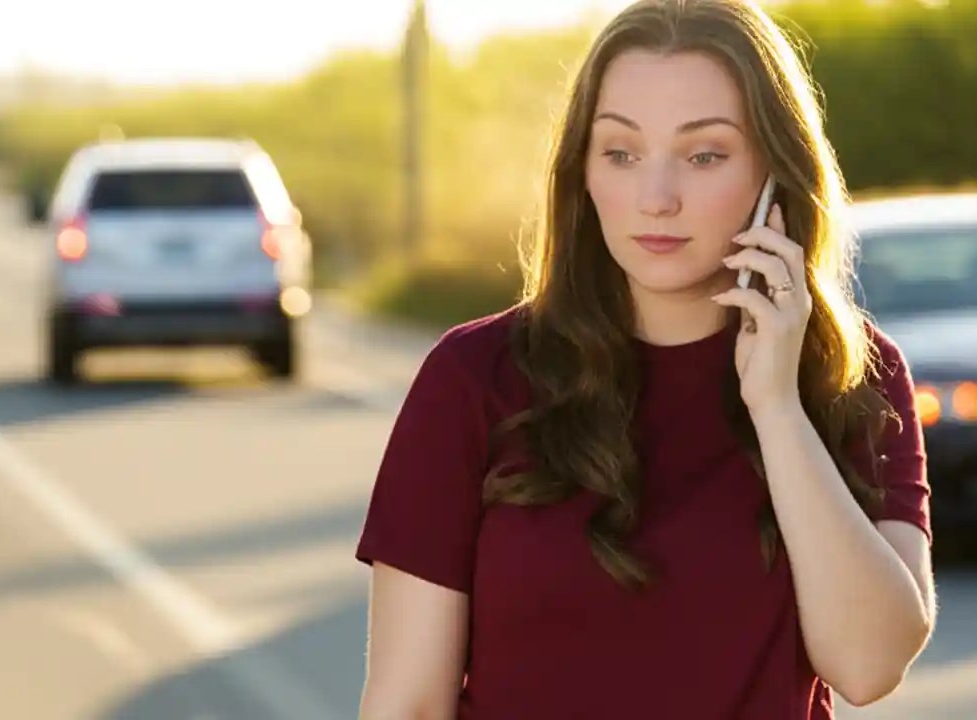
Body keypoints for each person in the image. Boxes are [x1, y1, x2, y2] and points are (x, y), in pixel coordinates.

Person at [355, 1, 935, 717]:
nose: (655, 198)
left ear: (775, 177)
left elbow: (869, 664)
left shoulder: (853, 376)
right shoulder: (475, 378)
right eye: (622, 154)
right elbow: (407, 704)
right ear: (584, 173)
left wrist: (778, 407)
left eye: (704, 155)